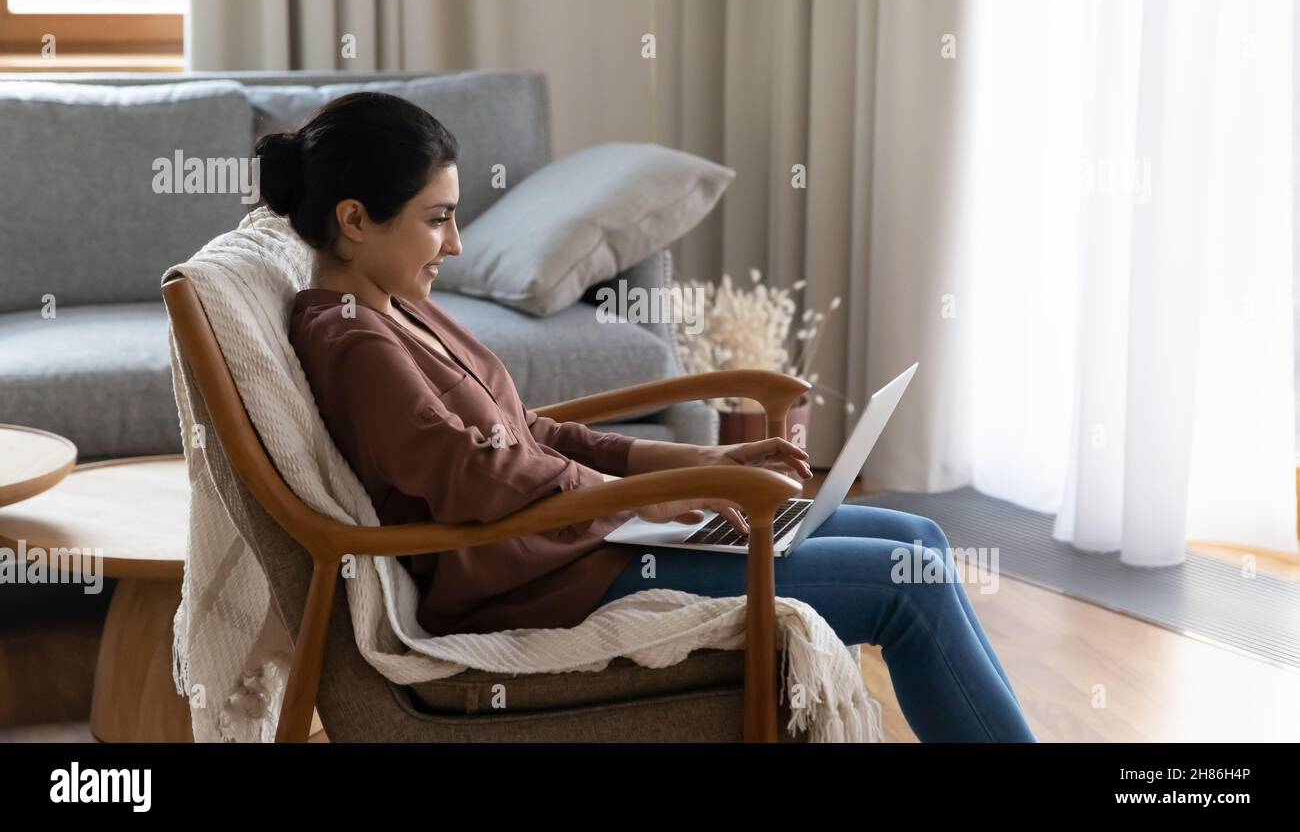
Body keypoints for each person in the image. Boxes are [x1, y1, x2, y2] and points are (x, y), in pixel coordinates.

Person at [263, 91, 1036, 742]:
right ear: (356, 219)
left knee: (919, 538)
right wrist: (634, 501)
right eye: (437, 219)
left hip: (587, 539)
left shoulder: (400, 308)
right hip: (546, 581)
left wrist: (696, 470)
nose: (457, 244)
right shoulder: (352, 343)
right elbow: (469, 479)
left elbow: (534, 435)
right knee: (911, 586)